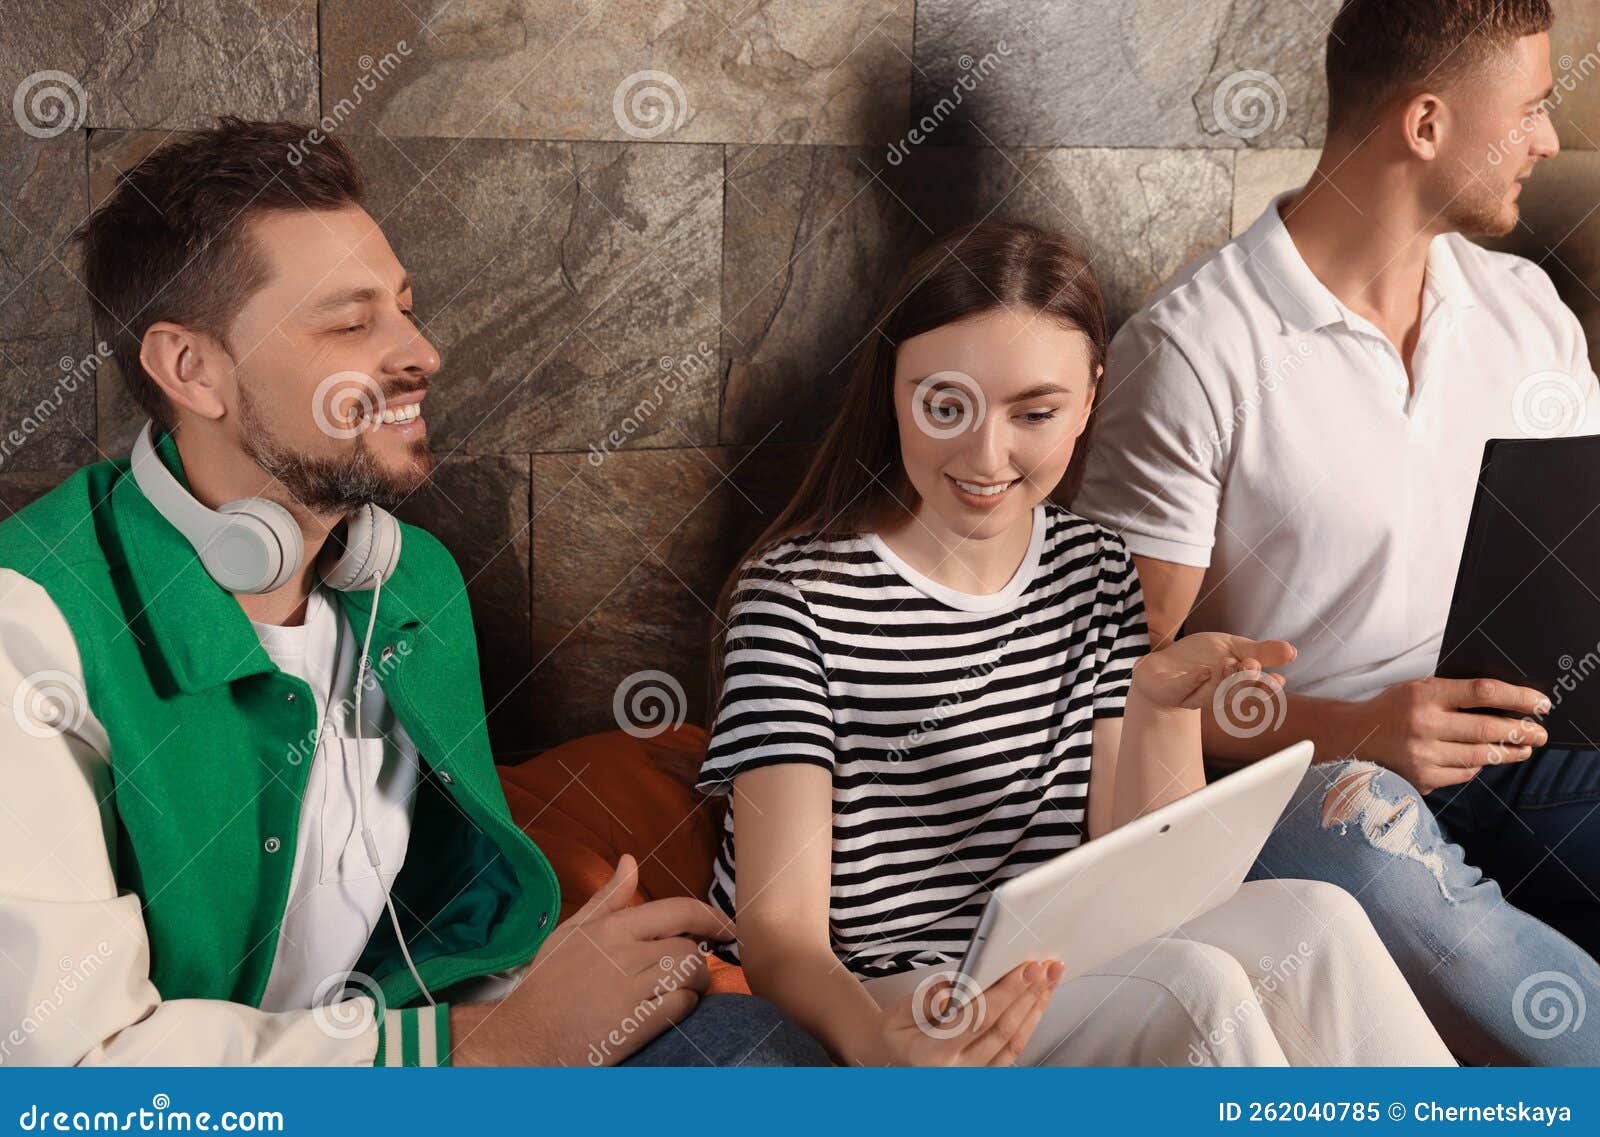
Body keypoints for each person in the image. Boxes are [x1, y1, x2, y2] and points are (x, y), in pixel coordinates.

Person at [0, 118, 827, 1068]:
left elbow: (434, 920)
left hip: (405, 1063)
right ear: (193, 369)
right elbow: (77, 1075)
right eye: (351, 323)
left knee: (750, 1043)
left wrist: (564, 981)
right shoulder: (31, 628)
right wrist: (493, 1043)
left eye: (403, 306)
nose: (423, 351)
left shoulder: (408, 579)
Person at [694, 221, 1454, 1066]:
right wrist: (877, 1045)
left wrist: (1158, 706)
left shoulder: (1094, 567)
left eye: (1034, 412)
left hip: (1053, 962)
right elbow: (779, 933)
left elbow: (1154, 891)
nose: (986, 454)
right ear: (892, 388)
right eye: (944, 405)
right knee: (1195, 985)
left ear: (1090, 397)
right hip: (881, 990)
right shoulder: (794, 599)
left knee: (1319, 916)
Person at [1073, 0, 1600, 1065]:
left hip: (1517, 742)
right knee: (1372, 832)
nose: (1548, 140)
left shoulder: (1526, 312)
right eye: (1531, 109)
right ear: (1425, 125)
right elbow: (1114, 682)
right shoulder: (1193, 349)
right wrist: (1363, 728)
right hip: (1307, 780)